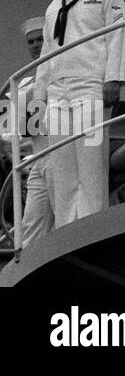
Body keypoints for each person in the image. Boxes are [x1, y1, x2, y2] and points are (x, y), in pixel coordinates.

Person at [33, 0, 125, 226]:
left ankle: (91, 224)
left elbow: (118, 36)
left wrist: (113, 79)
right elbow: (47, 55)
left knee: (90, 161)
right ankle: (66, 225)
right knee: (62, 165)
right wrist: (39, 98)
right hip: (58, 90)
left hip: (90, 86)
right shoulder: (53, 7)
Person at [13, 17, 53, 244]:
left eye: (40, 39)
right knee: (31, 223)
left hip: (60, 154)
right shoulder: (23, 86)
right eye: (31, 42)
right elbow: (16, 134)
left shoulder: (61, 76)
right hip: (37, 160)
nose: (36, 45)